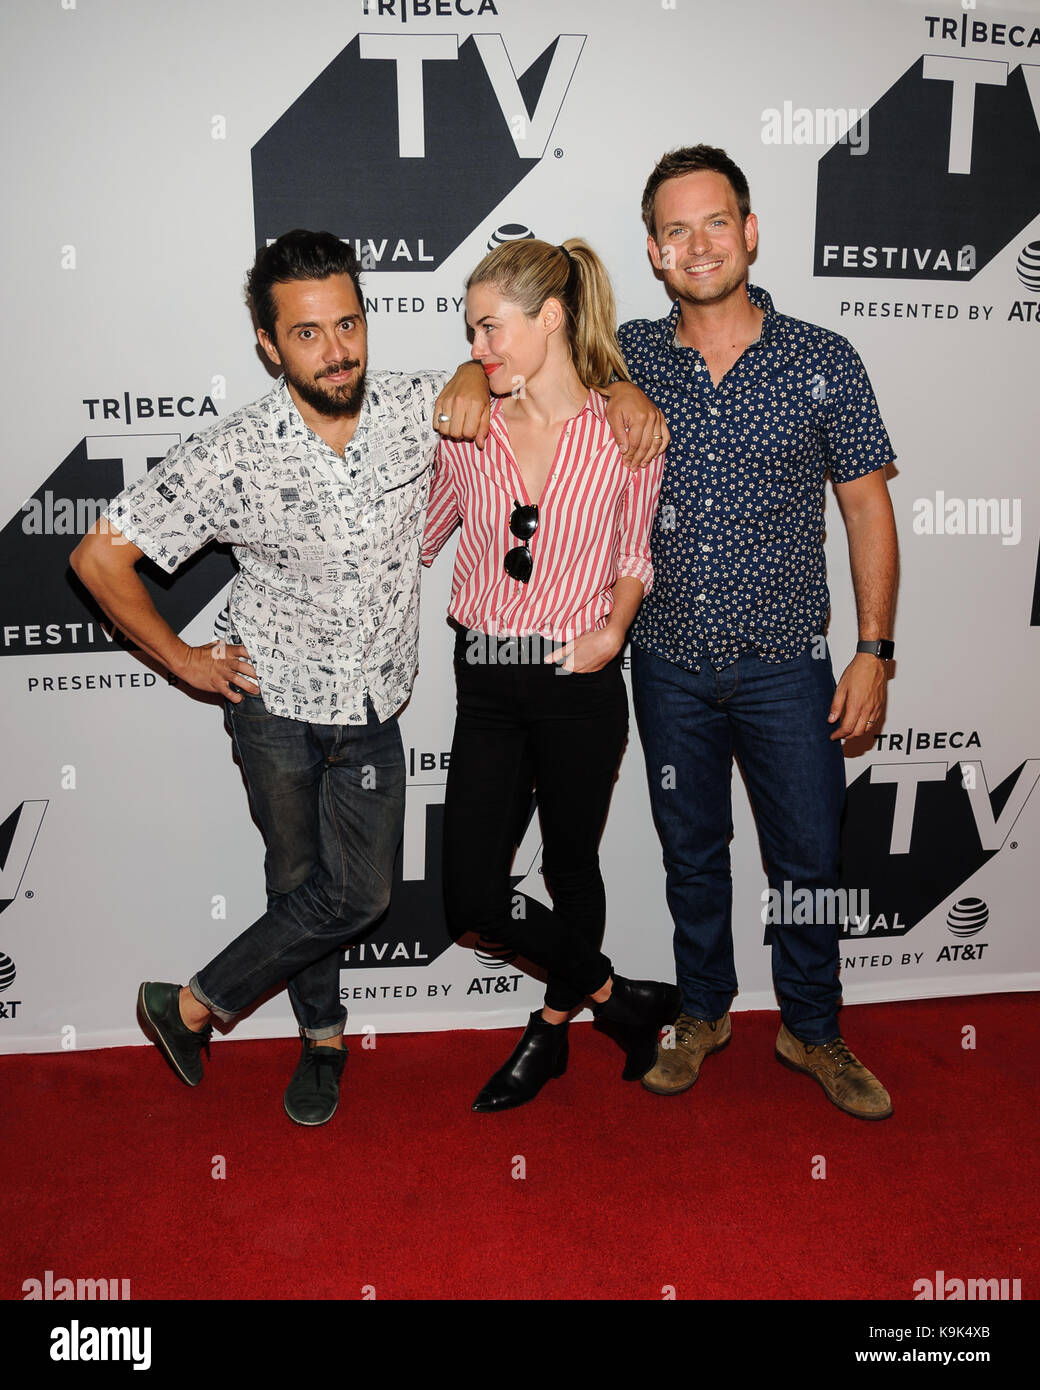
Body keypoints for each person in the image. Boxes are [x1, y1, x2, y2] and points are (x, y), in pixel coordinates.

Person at [70, 229, 666, 1127]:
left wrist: (613, 388)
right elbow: (97, 558)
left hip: (376, 710)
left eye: (347, 324)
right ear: (269, 344)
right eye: (307, 333)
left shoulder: (421, 407)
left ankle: (190, 1007)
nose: (335, 349)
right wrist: (184, 659)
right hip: (271, 704)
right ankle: (321, 1039)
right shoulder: (233, 450)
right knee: (296, 878)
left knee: (361, 893)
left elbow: (524, 377)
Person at [619, 145, 899, 1119]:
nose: (696, 245)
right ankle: (701, 1012)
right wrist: (603, 387)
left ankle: (811, 1028)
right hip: (663, 664)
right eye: (673, 229)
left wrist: (872, 650)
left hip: (788, 665)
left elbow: (865, 509)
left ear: (748, 231)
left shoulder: (822, 360)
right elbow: (515, 370)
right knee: (689, 850)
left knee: (809, 860)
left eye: (713, 222)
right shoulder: (625, 356)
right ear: (652, 252)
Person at [422, 237, 679, 1113]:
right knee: (472, 895)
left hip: (580, 677)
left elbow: (636, 549)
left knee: (574, 864)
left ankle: (552, 1028)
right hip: (487, 677)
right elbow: (422, 538)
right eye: (470, 333)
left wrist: (613, 629)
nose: (479, 347)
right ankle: (618, 998)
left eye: (490, 329)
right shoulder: (467, 425)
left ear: (552, 317)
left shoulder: (625, 429)